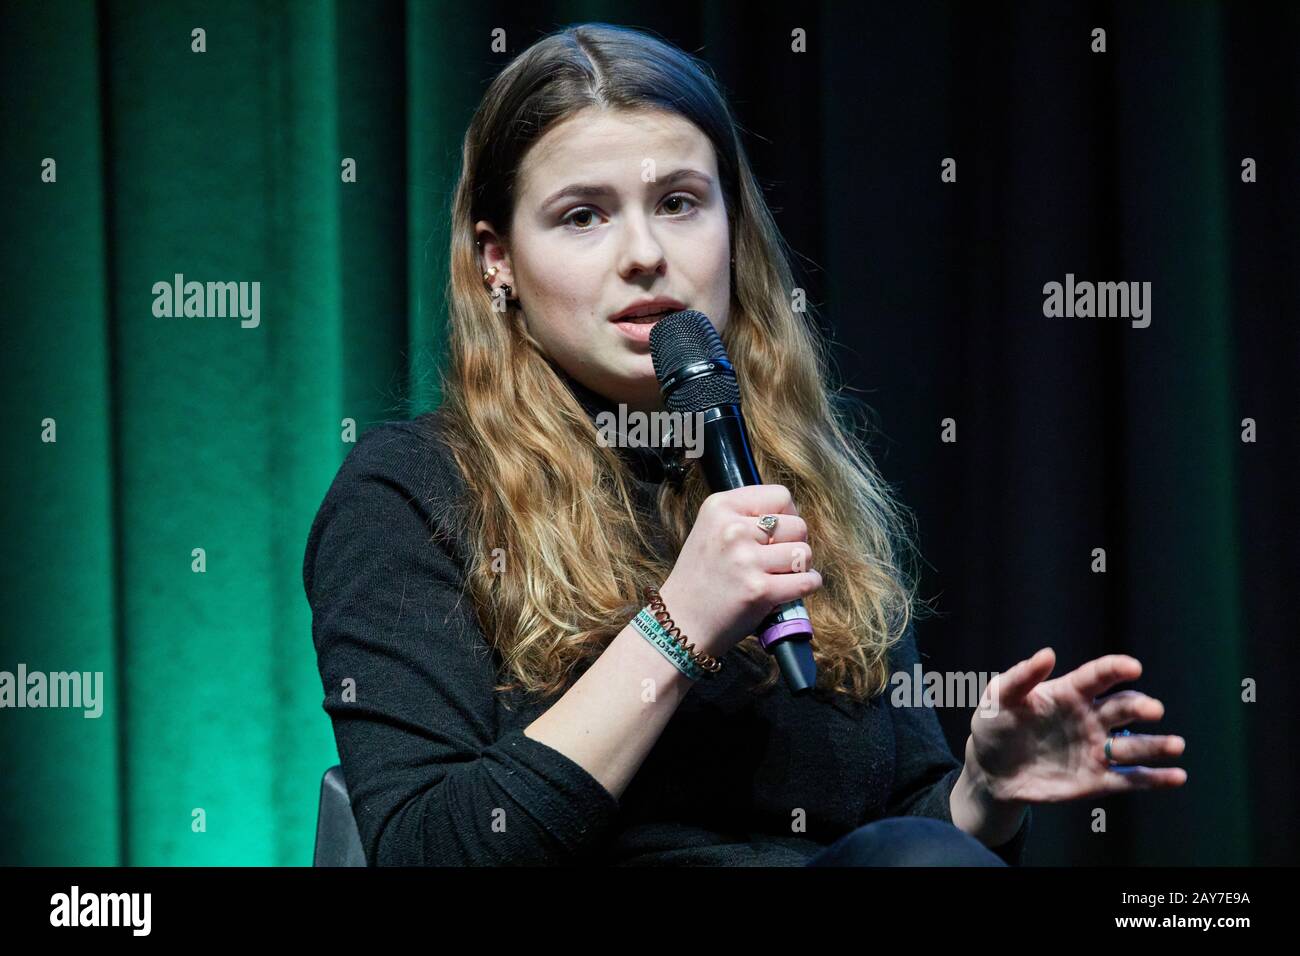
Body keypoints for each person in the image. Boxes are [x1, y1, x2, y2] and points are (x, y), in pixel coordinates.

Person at [303, 22, 1187, 867]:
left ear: (734, 226)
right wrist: (678, 626)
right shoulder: (413, 492)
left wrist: (983, 795)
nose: (645, 254)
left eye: (679, 203)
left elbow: (893, 825)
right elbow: (429, 847)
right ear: (498, 261)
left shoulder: (796, 483)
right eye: (583, 216)